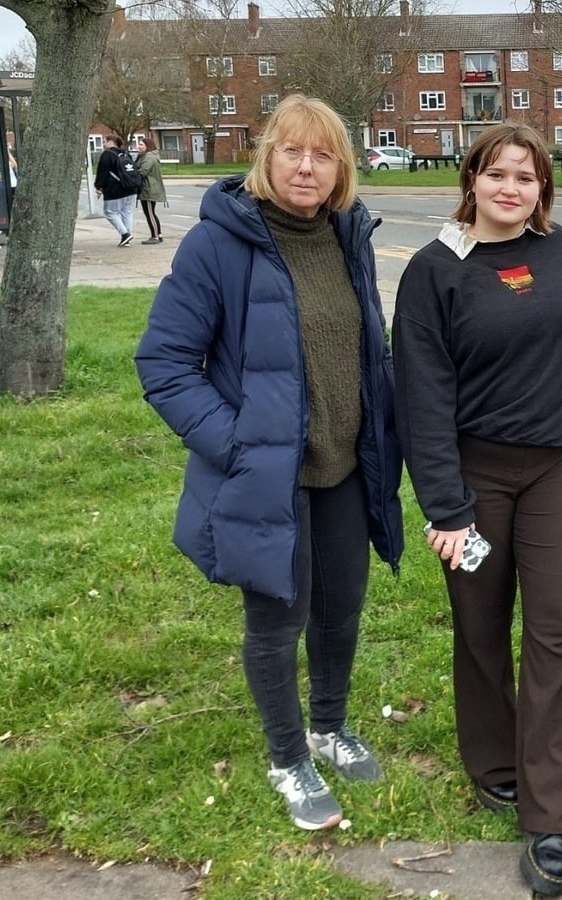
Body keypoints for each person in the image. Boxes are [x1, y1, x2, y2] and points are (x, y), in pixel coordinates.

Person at [135, 94, 403, 832]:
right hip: (268, 478)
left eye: (324, 155)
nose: (308, 167)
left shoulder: (350, 235)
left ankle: (329, 725)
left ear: (342, 168)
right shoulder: (217, 244)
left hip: (345, 468)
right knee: (277, 622)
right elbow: (164, 364)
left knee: (341, 610)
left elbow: (358, 346)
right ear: (267, 156)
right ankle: (289, 757)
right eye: (293, 151)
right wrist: (240, 448)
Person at [391, 122, 562, 897]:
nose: (510, 188)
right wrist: (446, 507)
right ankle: (495, 761)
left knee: (555, 630)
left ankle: (550, 816)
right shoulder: (433, 273)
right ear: (471, 180)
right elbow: (421, 399)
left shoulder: (557, 250)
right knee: (480, 624)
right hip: (474, 475)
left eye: (525, 177)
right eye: (497, 173)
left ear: (542, 188)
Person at [94, 134, 137, 246]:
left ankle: (125, 234)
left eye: (104, 141)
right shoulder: (126, 153)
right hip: (131, 187)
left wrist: (98, 187)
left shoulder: (107, 155)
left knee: (110, 212)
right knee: (127, 212)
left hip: (114, 189)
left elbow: (102, 172)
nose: (103, 144)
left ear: (110, 142)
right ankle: (127, 237)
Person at [135, 137, 167, 244]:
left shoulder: (148, 158)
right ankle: (158, 234)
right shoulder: (145, 156)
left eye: (141, 145)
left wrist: (132, 175)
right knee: (150, 212)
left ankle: (155, 236)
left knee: (149, 213)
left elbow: (143, 172)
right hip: (149, 188)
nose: (138, 147)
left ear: (147, 146)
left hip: (149, 189)